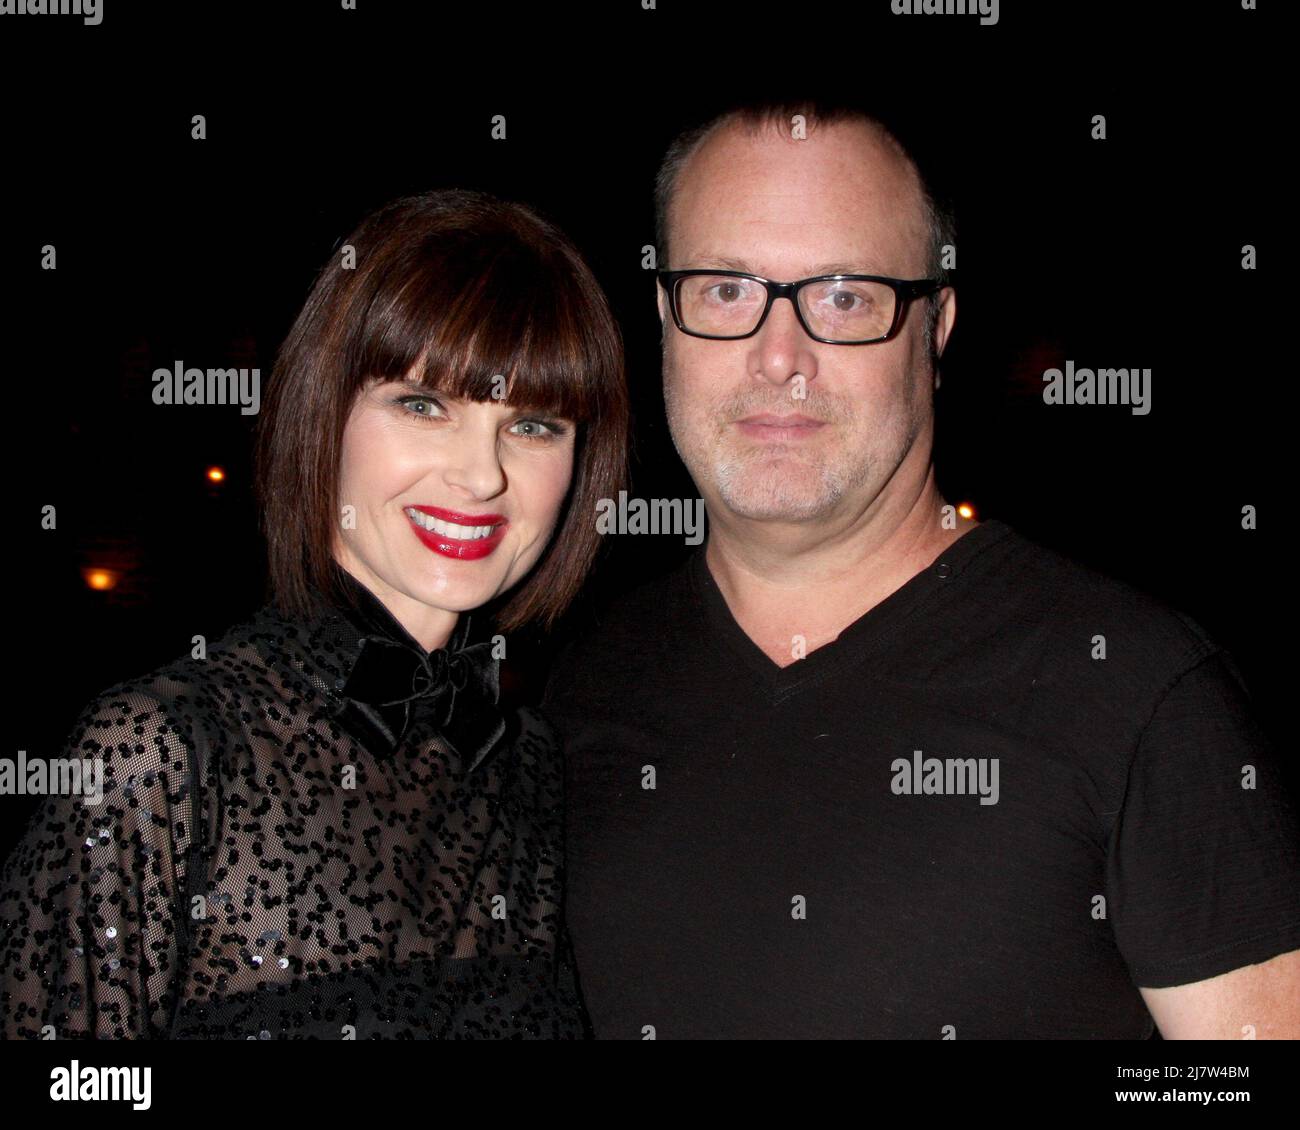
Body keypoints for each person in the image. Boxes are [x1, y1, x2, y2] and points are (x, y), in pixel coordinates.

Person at [542, 101, 1300, 1039]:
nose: (781, 357)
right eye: (727, 290)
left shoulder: (1138, 694)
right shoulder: (565, 695)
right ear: (665, 315)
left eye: (846, 295)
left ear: (934, 327)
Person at [0, 188, 628, 1039]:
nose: (482, 476)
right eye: (421, 404)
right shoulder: (156, 759)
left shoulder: (531, 769)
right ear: (322, 415)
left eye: (534, 424)